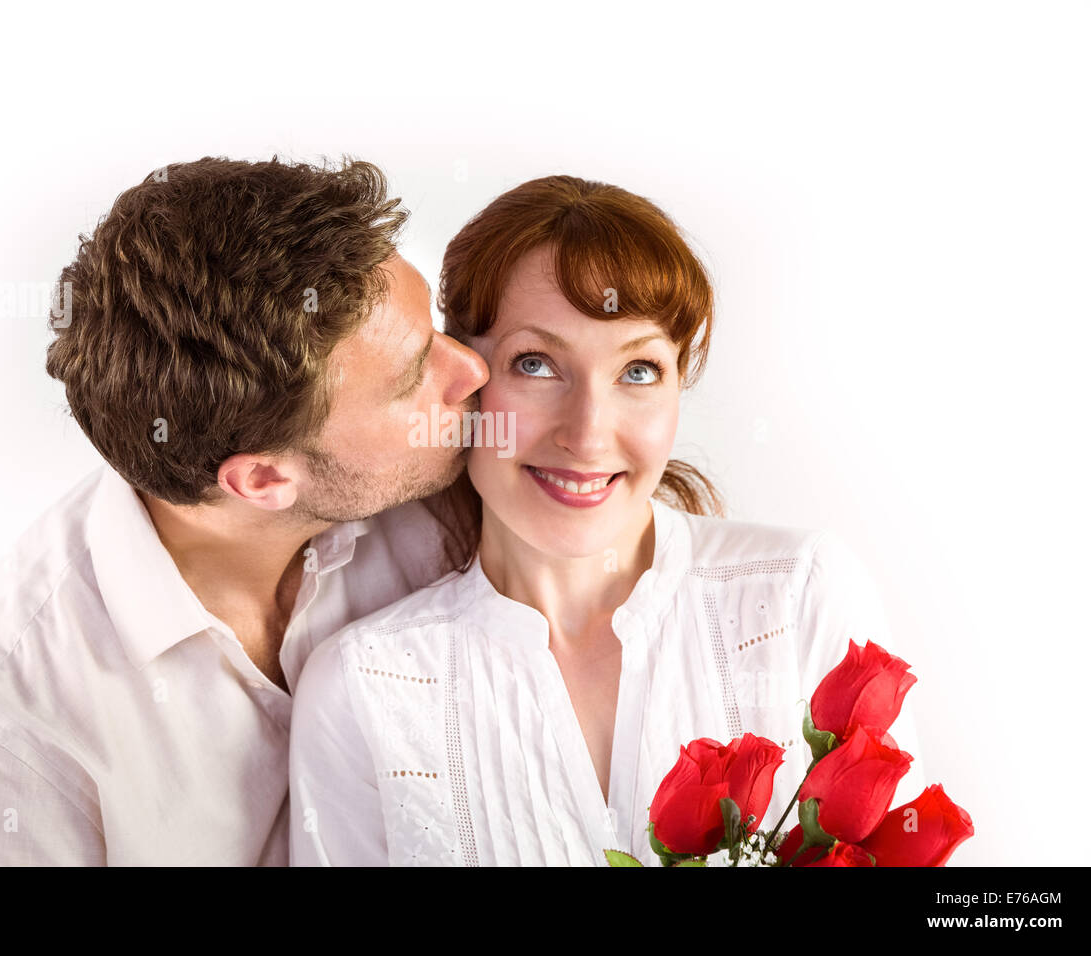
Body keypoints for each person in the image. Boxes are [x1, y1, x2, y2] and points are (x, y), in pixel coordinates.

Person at [288, 174, 927, 866]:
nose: (588, 435)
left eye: (639, 371)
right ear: (465, 377)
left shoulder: (799, 593)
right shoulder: (364, 688)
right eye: (535, 364)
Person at [0, 156, 489, 865]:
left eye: (429, 326)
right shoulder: (9, 741)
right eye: (411, 379)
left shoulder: (450, 493)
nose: (471, 370)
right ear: (264, 479)